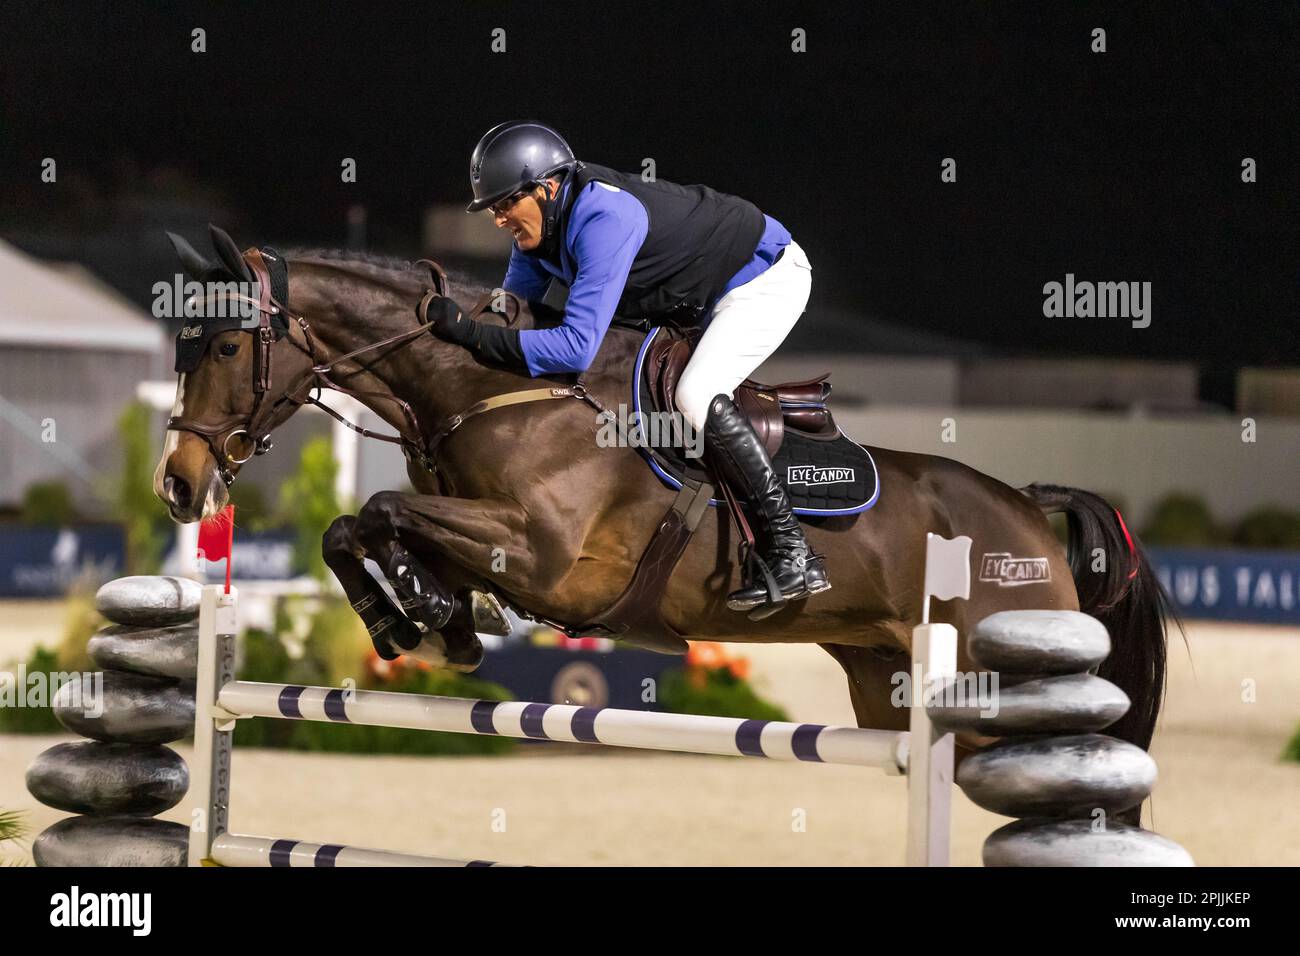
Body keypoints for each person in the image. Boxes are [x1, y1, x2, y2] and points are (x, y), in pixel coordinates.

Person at [426, 120, 828, 619]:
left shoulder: (603, 217)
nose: (499, 218)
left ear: (547, 188)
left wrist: (467, 333)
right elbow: (512, 312)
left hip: (763, 279)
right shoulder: (538, 234)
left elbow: (574, 349)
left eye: (506, 203)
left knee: (695, 394)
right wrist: (447, 326)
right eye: (493, 208)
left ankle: (791, 549)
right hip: (694, 296)